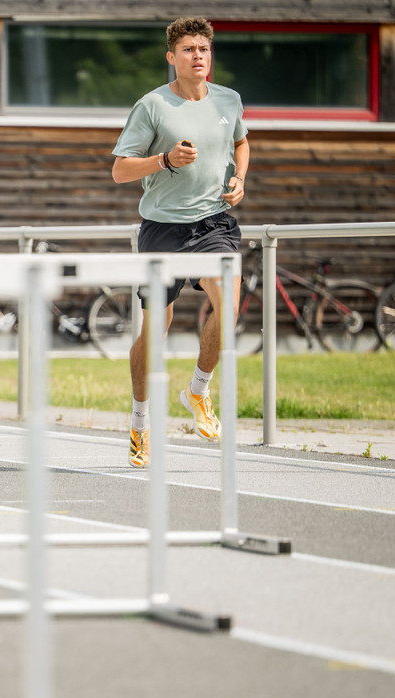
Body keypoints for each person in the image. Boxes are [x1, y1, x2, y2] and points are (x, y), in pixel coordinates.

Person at [110, 17, 250, 468]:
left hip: (214, 224)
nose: (198, 56)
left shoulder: (228, 99)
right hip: (163, 229)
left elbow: (241, 141)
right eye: (188, 49)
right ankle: (140, 422)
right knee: (157, 330)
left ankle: (198, 390)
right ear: (172, 57)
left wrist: (241, 178)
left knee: (228, 301)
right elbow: (120, 170)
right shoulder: (152, 106)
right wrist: (164, 160)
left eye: (203, 49)